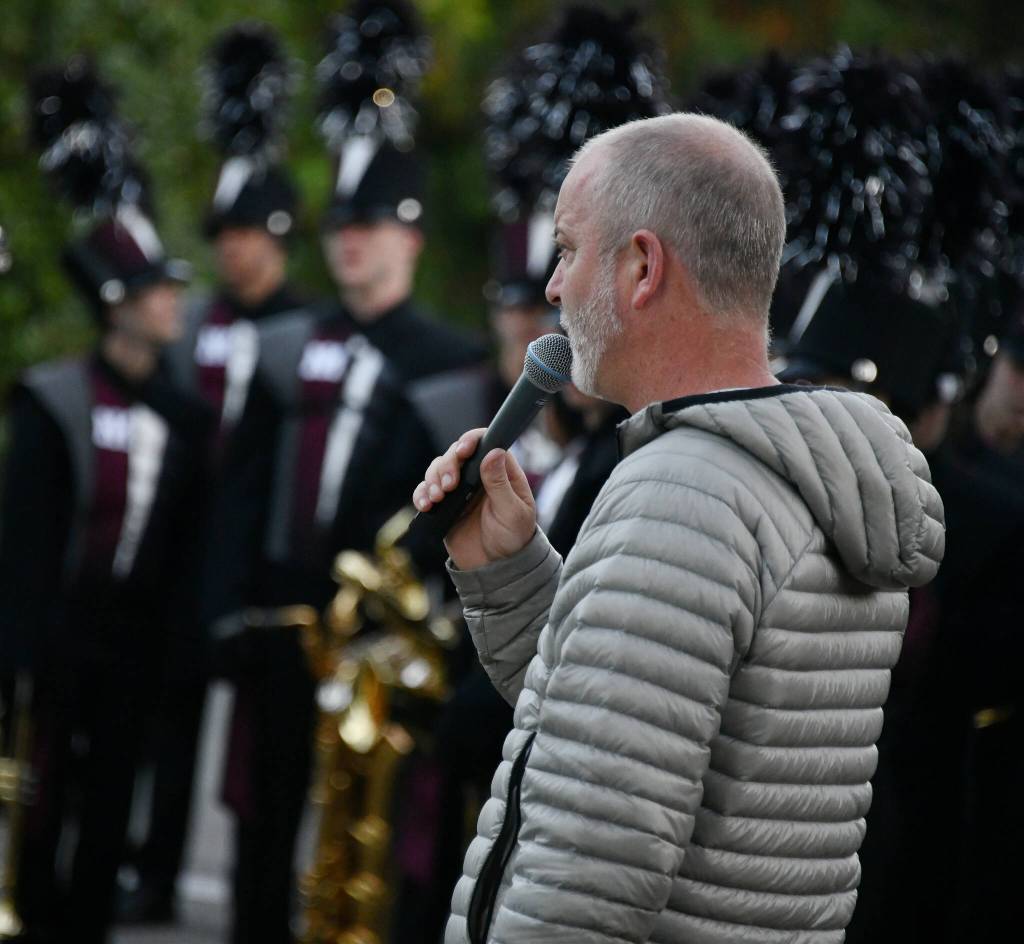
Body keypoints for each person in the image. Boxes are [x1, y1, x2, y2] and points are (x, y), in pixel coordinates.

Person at [413, 113, 945, 943]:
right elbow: (631, 731)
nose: (553, 288)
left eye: (567, 249)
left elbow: (585, 869)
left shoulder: (685, 492)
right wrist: (510, 572)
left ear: (643, 266)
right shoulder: (812, 473)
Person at [118, 26, 306, 921]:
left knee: (254, 732)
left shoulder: (308, 329)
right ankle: (151, 870)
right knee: (169, 706)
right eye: (222, 236)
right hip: (183, 535)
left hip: (258, 541)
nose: (234, 251)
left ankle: (247, 888)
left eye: (248, 235)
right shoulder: (194, 323)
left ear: (278, 239)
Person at [0, 211, 209, 944]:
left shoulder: (186, 417)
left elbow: (187, 545)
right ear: (116, 303)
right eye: (155, 290)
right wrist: (18, 652)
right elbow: (23, 539)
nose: (172, 303)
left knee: (114, 797)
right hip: (59, 638)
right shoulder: (55, 401)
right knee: (41, 793)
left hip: (134, 644)